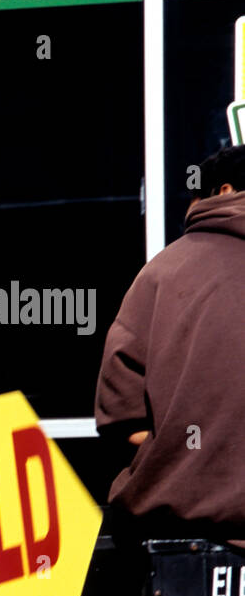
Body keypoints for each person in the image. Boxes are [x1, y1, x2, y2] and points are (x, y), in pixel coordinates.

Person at [94, 144, 245, 540]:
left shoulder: (163, 272)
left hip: (182, 530)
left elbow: (119, 416)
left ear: (225, 191)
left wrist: (183, 451)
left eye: (195, 195)